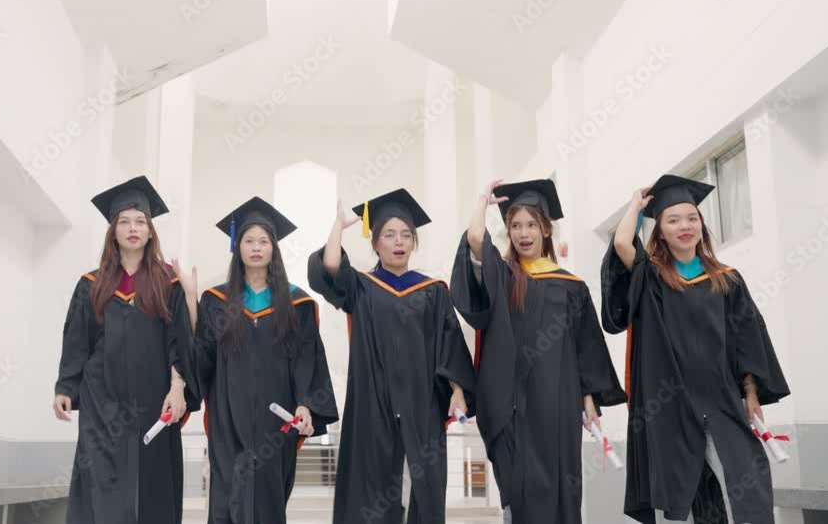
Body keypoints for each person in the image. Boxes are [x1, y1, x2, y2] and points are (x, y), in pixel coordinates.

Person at [601, 174, 790, 524]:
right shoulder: (652, 277)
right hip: (670, 405)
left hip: (721, 401)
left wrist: (751, 393)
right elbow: (624, 245)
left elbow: (748, 337)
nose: (685, 226)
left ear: (702, 225)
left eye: (692, 218)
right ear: (660, 231)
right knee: (688, 494)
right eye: (673, 220)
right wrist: (635, 206)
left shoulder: (727, 279)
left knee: (746, 486)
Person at [450, 178, 626, 524]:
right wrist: (483, 200)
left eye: (532, 224)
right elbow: (474, 240)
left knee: (561, 487)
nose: (523, 233)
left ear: (546, 230)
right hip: (508, 405)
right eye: (515, 225)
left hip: (557, 404)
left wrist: (589, 397)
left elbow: (585, 343)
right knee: (517, 492)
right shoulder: (501, 275)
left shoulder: (570, 285)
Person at [307, 188, 476, 524]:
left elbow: (451, 343)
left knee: (424, 486)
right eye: (389, 235)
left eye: (406, 235)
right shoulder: (361, 288)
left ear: (414, 242)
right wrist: (338, 227)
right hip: (373, 402)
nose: (399, 242)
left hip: (422, 402)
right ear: (376, 244)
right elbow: (329, 267)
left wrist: (458, 391)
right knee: (370, 487)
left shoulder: (432, 292)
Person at [53, 176, 200, 524]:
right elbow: (77, 341)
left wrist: (178, 388)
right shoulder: (91, 284)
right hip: (100, 404)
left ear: (150, 231)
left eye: (141, 221)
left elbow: (179, 340)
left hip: (153, 403)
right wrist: (65, 387)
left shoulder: (169, 282)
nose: (133, 228)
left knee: (151, 488)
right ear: (113, 231)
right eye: (124, 221)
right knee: (102, 488)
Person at [194, 196, 339, 524]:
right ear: (237, 246)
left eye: (263, 241)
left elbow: (307, 360)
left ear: (274, 248)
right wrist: (190, 308)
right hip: (227, 420)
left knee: (269, 500)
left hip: (278, 422)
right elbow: (202, 358)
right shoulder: (215, 302)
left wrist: (306, 404)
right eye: (248, 240)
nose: (256, 247)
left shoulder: (296, 304)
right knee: (226, 497)